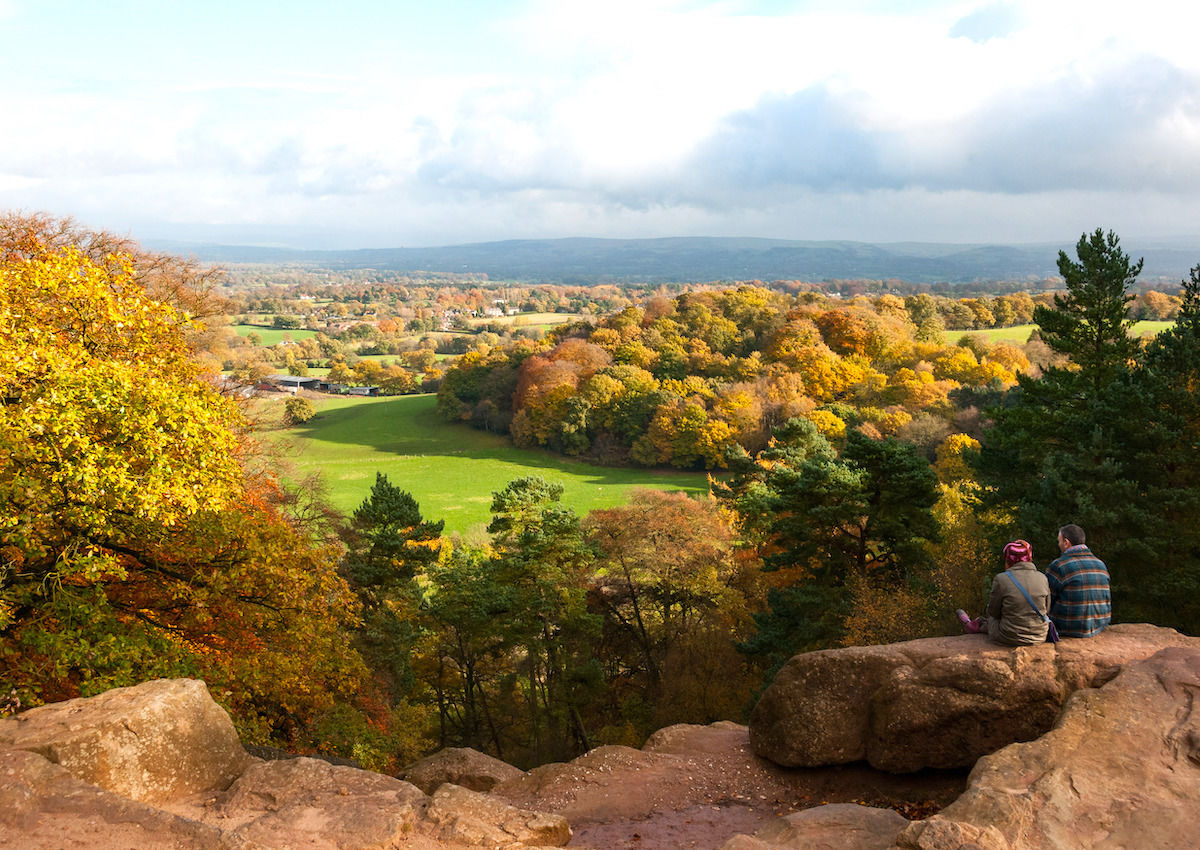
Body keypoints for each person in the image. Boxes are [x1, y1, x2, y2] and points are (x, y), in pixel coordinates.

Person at [956, 540, 1051, 646]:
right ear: (1029, 558)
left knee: (991, 619)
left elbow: (993, 612)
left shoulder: (1001, 579)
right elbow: (1046, 609)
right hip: (1039, 635)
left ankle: (973, 625)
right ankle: (974, 624)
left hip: (1009, 636)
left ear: (1008, 560)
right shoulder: (1042, 578)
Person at [1045, 524, 1110, 638]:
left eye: (1059, 541)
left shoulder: (1059, 565)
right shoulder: (1100, 564)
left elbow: (1046, 601)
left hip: (1068, 627)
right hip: (1099, 624)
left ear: (1066, 542)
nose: (1058, 544)